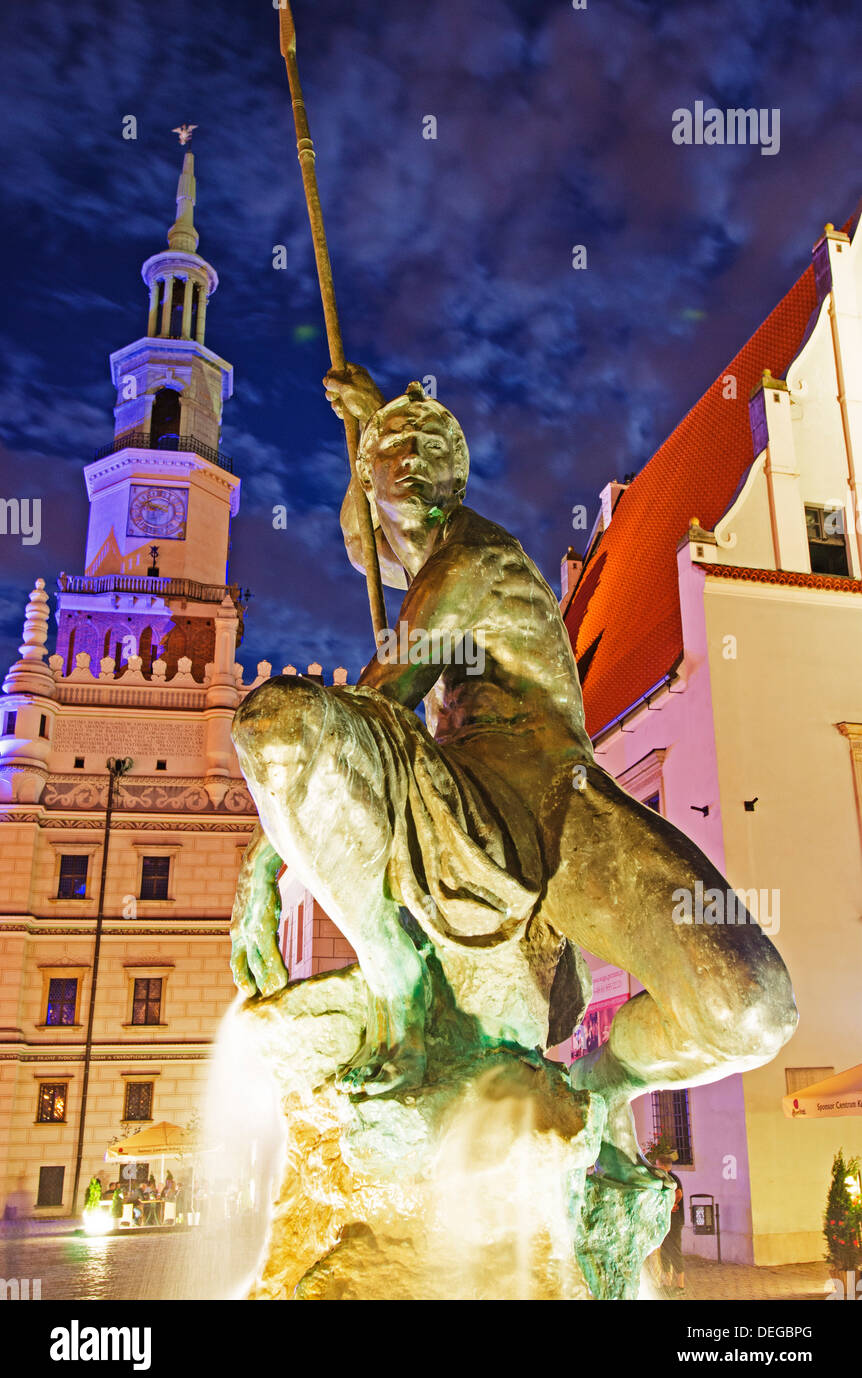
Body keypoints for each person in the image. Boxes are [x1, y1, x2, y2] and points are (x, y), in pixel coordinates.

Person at [229, 363, 798, 1187]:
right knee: (278, 722)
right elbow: (371, 549)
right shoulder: (416, 560)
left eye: (436, 450)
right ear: (370, 475)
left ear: (458, 482)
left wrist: (265, 863)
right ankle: (397, 982)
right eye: (399, 451)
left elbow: (388, 699)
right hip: (463, 790)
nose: (419, 459)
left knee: (750, 1008)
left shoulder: (475, 557)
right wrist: (367, 427)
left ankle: (595, 1087)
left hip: (560, 797)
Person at [656, 1152, 686, 1295]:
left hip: (674, 1221)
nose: (656, 1167)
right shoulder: (664, 1178)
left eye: (657, 1165)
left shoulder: (672, 1178)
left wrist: (672, 1204)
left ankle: (680, 1285)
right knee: (665, 1251)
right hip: (665, 1220)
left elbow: (679, 1193)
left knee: (674, 1250)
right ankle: (666, 1282)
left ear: (663, 1166)